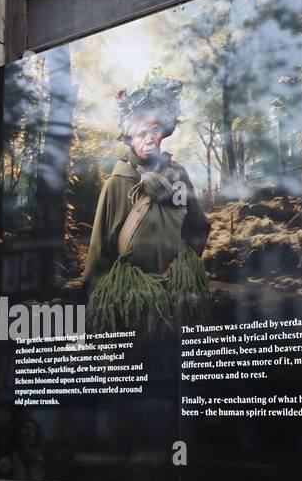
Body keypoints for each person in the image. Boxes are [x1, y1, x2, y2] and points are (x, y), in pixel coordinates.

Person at [83, 73, 211, 331]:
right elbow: (99, 254)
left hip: (175, 301)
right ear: (130, 136)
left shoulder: (179, 177)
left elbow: (197, 228)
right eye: (142, 132)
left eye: (155, 131)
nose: (149, 139)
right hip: (130, 306)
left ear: (164, 132)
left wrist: (181, 268)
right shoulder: (117, 184)